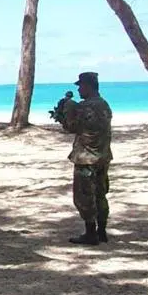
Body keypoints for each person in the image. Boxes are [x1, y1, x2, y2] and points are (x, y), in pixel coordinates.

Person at [60, 71, 113, 245]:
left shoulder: (85, 107)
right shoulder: (104, 104)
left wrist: (67, 110)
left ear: (88, 86)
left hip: (86, 158)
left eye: (81, 86)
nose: (79, 90)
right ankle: (101, 231)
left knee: (84, 197)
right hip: (102, 157)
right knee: (100, 195)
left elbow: (71, 127)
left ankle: (91, 233)